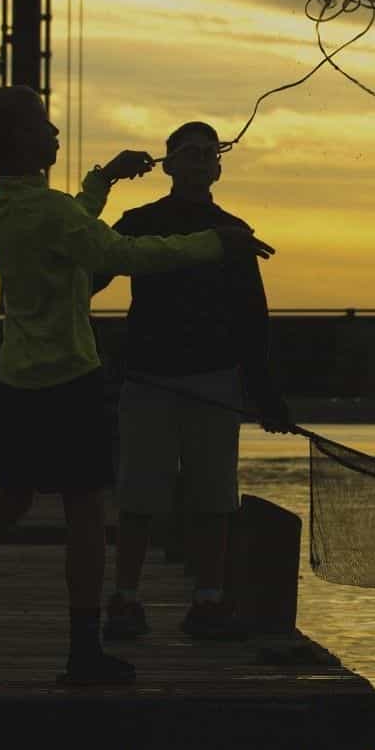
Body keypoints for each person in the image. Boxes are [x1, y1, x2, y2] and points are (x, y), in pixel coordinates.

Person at [0, 85, 270, 685]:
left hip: (17, 379)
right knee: (88, 513)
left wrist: (105, 179)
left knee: (9, 503)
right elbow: (122, 253)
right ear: (23, 141)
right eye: (44, 124)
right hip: (69, 379)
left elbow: (73, 224)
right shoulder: (50, 212)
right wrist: (215, 243)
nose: (55, 131)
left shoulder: (4, 205)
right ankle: (83, 651)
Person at [96, 121, 294, 642]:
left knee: (214, 497)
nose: (201, 158)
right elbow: (90, 276)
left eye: (209, 152)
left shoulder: (234, 231)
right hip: (148, 379)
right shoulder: (137, 222)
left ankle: (208, 600)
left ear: (218, 168)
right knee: (138, 497)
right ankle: (125, 598)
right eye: (190, 151)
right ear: (168, 164)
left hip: (215, 381)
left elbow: (252, 318)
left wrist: (265, 393)